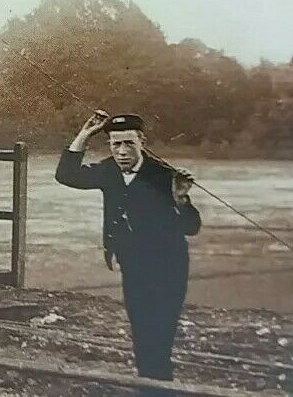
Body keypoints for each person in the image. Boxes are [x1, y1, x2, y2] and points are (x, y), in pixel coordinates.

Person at [55, 110, 200, 383]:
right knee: (141, 329)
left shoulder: (163, 175)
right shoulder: (109, 170)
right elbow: (66, 174)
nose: (122, 151)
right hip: (132, 265)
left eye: (128, 144)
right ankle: (151, 384)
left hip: (168, 267)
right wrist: (85, 135)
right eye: (115, 144)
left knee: (159, 330)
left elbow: (191, 227)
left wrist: (181, 199)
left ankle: (157, 385)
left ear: (142, 141)